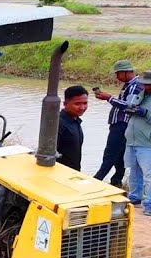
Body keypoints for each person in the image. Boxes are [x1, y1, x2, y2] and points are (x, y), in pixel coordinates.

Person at [94, 60, 142, 188]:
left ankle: (96, 180)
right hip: (119, 124)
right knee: (119, 154)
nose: (117, 77)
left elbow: (129, 106)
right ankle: (116, 180)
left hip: (122, 124)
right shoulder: (129, 84)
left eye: (118, 74)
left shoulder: (134, 86)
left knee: (110, 153)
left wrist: (109, 98)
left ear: (126, 72)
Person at [125, 72, 151, 214]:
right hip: (133, 140)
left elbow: (147, 115)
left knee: (149, 175)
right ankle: (135, 197)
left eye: (148, 84)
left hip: (147, 142)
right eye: (144, 84)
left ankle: (149, 204)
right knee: (134, 171)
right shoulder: (141, 95)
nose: (146, 87)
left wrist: (145, 113)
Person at [56, 86, 87, 171]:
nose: (82, 107)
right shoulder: (57, 123)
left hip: (73, 173)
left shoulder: (75, 120)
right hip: (60, 174)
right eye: (77, 104)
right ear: (65, 104)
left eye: (85, 103)